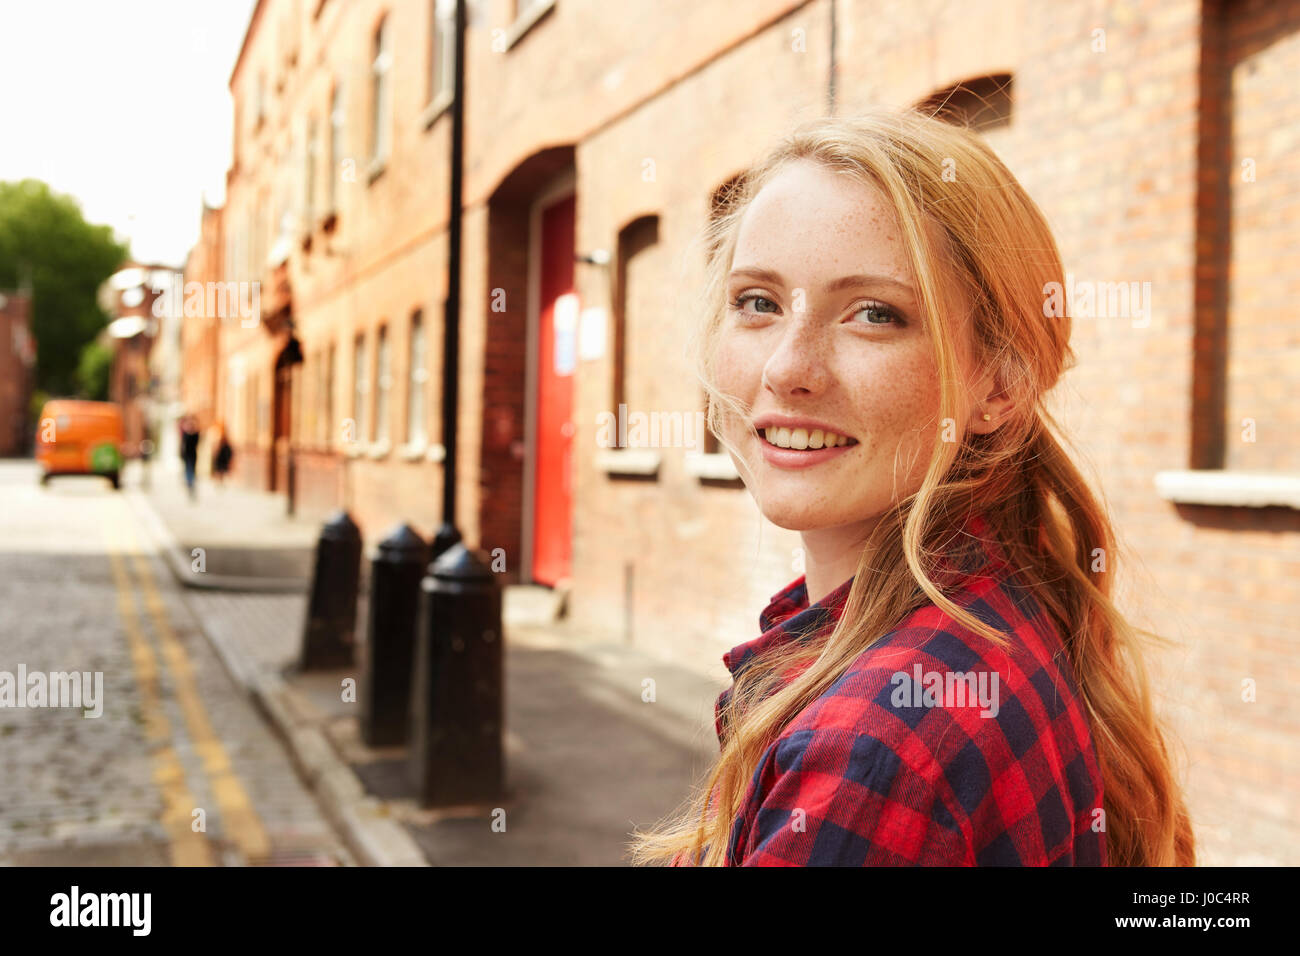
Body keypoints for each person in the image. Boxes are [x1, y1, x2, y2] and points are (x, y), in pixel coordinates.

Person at [630, 108, 1194, 867]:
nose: (787, 368)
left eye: (874, 315)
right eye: (757, 302)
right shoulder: (1008, 604)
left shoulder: (876, 747)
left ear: (1000, 382)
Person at [178, 414, 200, 501]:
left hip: (192, 455)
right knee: (188, 470)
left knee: (191, 470)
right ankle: (189, 484)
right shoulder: (186, 434)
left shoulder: (195, 435)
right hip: (187, 455)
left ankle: (190, 484)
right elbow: (183, 444)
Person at [211, 422, 233, 486]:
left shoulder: (223, 438)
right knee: (219, 469)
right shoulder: (217, 436)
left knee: (221, 469)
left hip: (222, 456)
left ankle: (220, 481)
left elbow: (228, 449)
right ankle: (219, 481)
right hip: (220, 457)